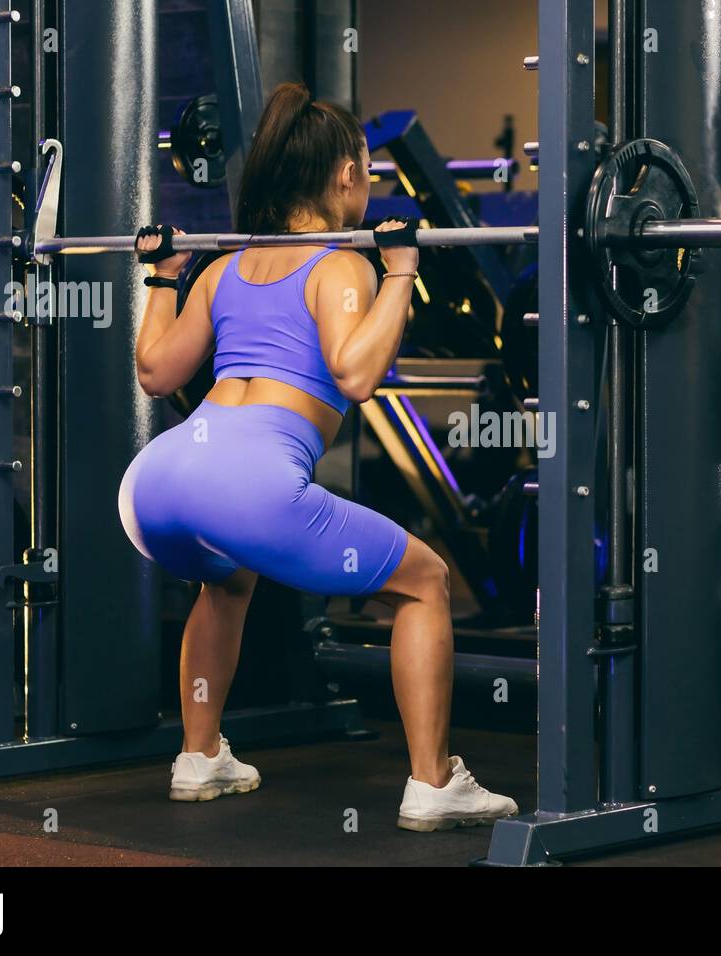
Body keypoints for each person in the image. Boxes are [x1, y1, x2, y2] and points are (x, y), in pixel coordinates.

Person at [117, 81, 517, 832]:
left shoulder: (225, 268)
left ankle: (199, 758)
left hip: (159, 483)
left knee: (226, 583)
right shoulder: (342, 265)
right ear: (344, 175)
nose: (370, 183)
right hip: (250, 484)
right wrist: (401, 269)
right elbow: (357, 374)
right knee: (425, 582)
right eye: (367, 168)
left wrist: (161, 280)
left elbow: (155, 373)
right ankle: (434, 782)